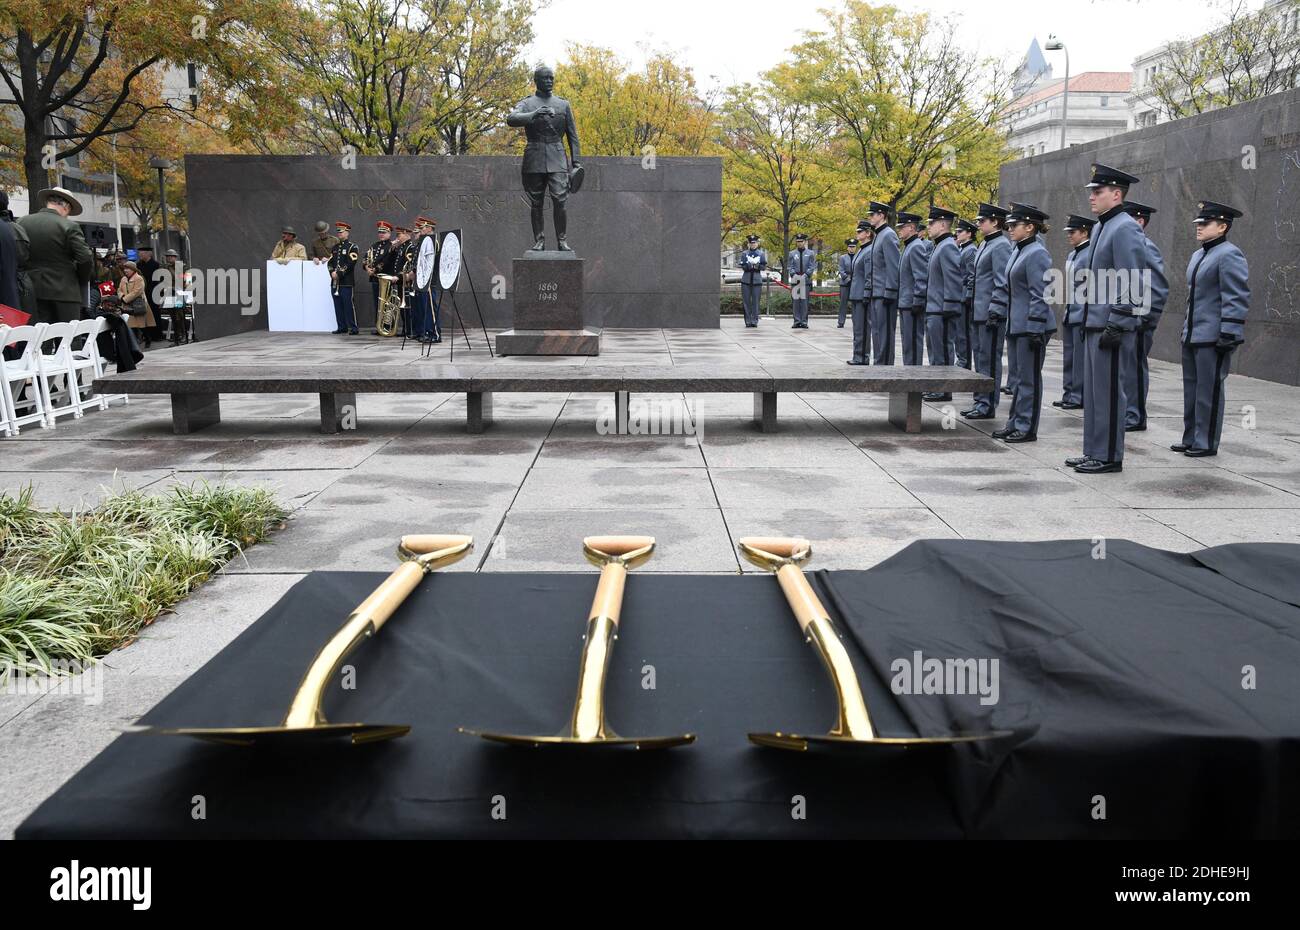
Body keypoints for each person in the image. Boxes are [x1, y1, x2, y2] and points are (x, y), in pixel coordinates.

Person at [1067, 163, 1146, 475]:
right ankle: (1094, 450)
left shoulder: (1125, 227)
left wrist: (1120, 319)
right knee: (1095, 394)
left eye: (1097, 192)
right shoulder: (1102, 226)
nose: (1092, 197)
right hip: (1094, 322)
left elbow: (1133, 277)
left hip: (1110, 324)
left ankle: (1110, 456)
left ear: (1116, 194)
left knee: (1110, 393)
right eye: (1091, 192)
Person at [1175, 200, 1249, 457]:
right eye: (1198, 223)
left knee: (1210, 391)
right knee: (1192, 389)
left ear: (1222, 227)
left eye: (1205, 224)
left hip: (1214, 335)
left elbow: (1236, 295)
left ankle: (1205, 442)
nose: (1199, 227)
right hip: (1193, 333)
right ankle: (1190, 437)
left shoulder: (1230, 254)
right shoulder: (1199, 254)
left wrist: (1230, 332)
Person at [992, 204, 1055, 443]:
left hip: (1031, 326)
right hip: (1017, 325)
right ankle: (1015, 422)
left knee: (1029, 379)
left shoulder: (1037, 252)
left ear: (1029, 227)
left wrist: (1035, 326)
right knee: (1018, 378)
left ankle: (1027, 427)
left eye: (1014, 225)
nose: (1009, 228)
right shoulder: (1019, 250)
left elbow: (1041, 293)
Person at [506, 64, 582, 252]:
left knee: (560, 200)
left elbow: (573, 136)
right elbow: (511, 119)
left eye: (551, 78)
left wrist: (576, 163)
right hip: (534, 156)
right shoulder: (528, 103)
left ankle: (562, 240)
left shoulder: (563, 104)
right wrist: (534, 114)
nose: (549, 81)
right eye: (545, 78)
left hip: (557, 157)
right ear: (536, 81)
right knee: (536, 202)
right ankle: (539, 241)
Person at [1121, 201, 1168, 431]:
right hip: (1126, 318)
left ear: (1139, 221)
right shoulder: (1130, 246)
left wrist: (1145, 319)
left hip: (1139, 321)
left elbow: (1157, 286)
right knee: (1126, 369)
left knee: (1135, 369)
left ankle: (1135, 415)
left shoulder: (1146, 247)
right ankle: (1127, 411)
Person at [963, 203, 1012, 420]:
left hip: (991, 313)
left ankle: (988, 403)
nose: (978, 224)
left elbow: (1002, 282)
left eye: (982, 221)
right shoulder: (986, 244)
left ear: (995, 222)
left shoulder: (1001, 245)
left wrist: (996, 310)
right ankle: (980, 400)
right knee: (981, 358)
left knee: (990, 359)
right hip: (979, 311)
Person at [17, 186, 93, 323]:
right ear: (66, 206)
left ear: (48, 202)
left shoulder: (22, 222)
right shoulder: (69, 226)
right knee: (68, 338)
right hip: (65, 291)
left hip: (31, 289)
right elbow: (85, 258)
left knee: (39, 338)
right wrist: (81, 278)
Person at [1054, 215, 1095, 411]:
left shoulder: (1089, 254)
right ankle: (1068, 392)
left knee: (1079, 359)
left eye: (1073, 232)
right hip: (1071, 311)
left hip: (1083, 313)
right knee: (1069, 356)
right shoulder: (1073, 255)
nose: (1069, 235)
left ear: (1085, 232)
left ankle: (1078, 396)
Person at [922, 207, 963, 399]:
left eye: (932, 223)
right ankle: (937, 385)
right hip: (934, 309)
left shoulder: (947, 246)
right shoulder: (940, 245)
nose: (929, 226)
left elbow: (953, 279)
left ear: (944, 224)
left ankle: (944, 389)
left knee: (943, 351)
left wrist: (949, 308)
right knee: (935, 351)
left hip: (941, 310)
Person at [866, 201, 899, 364]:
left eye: (872, 214)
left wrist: (890, 292)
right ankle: (879, 364)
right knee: (877, 333)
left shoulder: (888, 235)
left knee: (885, 333)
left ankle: (885, 368)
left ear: (881, 215)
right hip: (876, 292)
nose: (870, 217)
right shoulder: (879, 235)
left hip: (884, 294)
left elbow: (893, 266)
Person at [896, 212, 927, 364]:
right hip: (905, 303)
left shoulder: (916, 247)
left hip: (912, 304)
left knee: (913, 343)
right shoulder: (908, 247)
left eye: (902, 227)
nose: (899, 230)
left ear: (912, 227)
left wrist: (918, 300)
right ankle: (909, 376)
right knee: (907, 343)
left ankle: (915, 381)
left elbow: (921, 277)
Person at [846, 222, 874, 365]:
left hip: (862, 295)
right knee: (858, 328)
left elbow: (869, 275)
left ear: (868, 233)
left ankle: (862, 357)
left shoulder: (869, 251)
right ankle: (858, 355)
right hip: (856, 294)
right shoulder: (861, 250)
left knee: (862, 328)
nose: (857, 234)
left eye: (860, 231)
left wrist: (866, 293)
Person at [409, 216, 441, 343]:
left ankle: (435, 334)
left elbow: (428, 262)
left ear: (429, 228)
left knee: (430, 308)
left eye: (422, 228)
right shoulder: (424, 242)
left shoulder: (433, 242)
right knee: (424, 308)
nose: (420, 230)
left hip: (429, 280)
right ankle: (427, 331)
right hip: (421, 280)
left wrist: (415, 271)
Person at [327, 221, 360, 335]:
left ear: (347, 232)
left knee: (348, 305)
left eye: (342, 232)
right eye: (338, 232)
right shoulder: (335, 247)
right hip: (335, 282)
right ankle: (341, 326)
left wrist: (339, 273)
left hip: (346, 282)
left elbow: (351, 263)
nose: (340, 234)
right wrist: (331, 272)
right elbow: (330, 262)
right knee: (338, 305)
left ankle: (353, 327)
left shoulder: (352, 247)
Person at [955, 219, 978, 369]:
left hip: (964, 297)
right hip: (959, 295)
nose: (957, 234)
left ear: (969, 234)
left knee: (964, 333)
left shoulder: (970, 250)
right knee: (959, 333)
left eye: (960, 231)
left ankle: (964, 362)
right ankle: (962, 359)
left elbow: (971, 276)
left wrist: (968, 295)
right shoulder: (963, 249)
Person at [365, 220, 394, 333]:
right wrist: (367, 268)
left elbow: (387, 261)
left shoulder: (391, 246)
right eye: (380, 232)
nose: (381, 234)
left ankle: (387, 326)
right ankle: (379, 326)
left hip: (386, 278)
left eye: (384, 232)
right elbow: (366, 257)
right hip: (375, 279)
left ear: (389, 233)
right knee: (377, 304)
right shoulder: (374, 245)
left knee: (387, 304)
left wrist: (375, 269)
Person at [117, 260, 154, 345]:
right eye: (125, 269)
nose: (125, 270)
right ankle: (135, 342)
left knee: (141, 325)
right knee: (131, 324)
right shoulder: (123, 279)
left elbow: (137, 291)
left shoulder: (139, 278)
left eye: (127, 269)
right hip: (127, 304)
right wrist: (121, 296)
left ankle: (147, 338)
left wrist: (125, 298)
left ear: (133, 269)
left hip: (138, 304)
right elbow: (119, 289)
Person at [787, 233, 815, 328]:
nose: (799, 243)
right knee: (795, 302)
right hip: (795, 279)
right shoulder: (792, 253)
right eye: (798, 241)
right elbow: (790, 267)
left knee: (804, 302)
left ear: (805, 242)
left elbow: (811, 267)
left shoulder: (810, 253)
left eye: (801, 241)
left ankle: (804, 321)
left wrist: (806, 275)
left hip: (805, 280)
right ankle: (796, 321)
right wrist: (794, 274)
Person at [738, 235, 766, 327]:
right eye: (751, 243)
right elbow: (743, 266)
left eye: (754, 243)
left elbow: (763, 267)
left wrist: (756, 266)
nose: (753, 244)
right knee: (746, 302)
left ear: (757, 243)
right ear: (749, 244)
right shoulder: (744, 253)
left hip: (757, 280)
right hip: (746, 280)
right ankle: (748, 321)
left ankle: (754, 321)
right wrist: (750, 266)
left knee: (755, 302)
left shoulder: (761, 254)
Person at [836, 237, 857, 328]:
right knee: (843, 304)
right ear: (847, 248)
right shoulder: (843, 258)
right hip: (845, 283)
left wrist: (855, 280)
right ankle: (841, 322)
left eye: (853, 247)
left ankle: (856, 321)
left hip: (856, 283)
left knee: (855, 304)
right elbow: (841, 270)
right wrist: (848, 280)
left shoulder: (858, 256)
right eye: (850, 247)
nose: (852, 248)